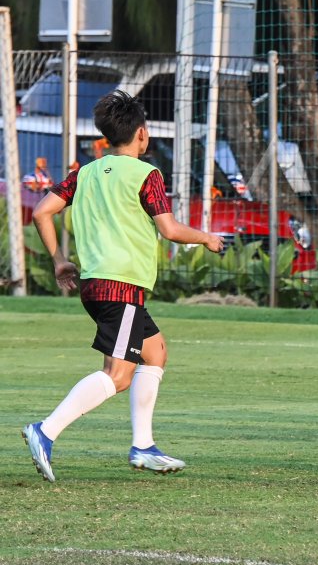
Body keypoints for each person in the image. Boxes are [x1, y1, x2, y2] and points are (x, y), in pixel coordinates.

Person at [21, 90, 225, 483]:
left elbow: (43, 212)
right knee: (117, 376)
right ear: (143, 136)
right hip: (121, 285)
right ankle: (45, 432)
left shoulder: (84, 172)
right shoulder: (146, 174)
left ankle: (143, 446)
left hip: (98, 283)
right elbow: (168, 229)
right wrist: (207, 238)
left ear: (106, 136)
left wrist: (60, 259)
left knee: (156, 353)